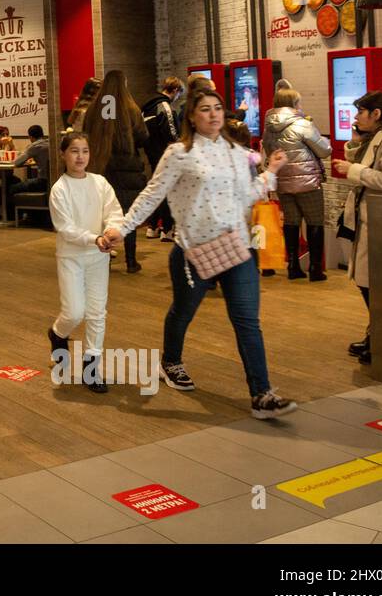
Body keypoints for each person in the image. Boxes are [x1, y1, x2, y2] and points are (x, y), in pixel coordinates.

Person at [103, 88, 298, 419]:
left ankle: (262, 394)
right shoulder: (179, 153)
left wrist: (271, 173)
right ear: (191, 117)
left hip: (236, 248)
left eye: (217, 108)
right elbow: (152, 194)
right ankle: (171, 361)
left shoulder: (236, 152)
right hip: (194, 250)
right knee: (182, 311)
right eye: (205, 109)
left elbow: (247, 195)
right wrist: (121, 229)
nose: (213, 114)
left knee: (247, 321)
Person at [332, 91, 382, 364]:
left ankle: (380, 337)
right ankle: (375, 334)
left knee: (374, 286)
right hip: (370, 221)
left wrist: (351, 170)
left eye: (360, 112)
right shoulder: (379, 139)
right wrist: (355, 147)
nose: (355, 117)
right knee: (367, 283)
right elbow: (367, 164)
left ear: (375, 114)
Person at [48, 133, 124, 393]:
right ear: (64, 154)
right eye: (74, 151)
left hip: (98, 257)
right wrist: (95, 238)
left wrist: (112, 230)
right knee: (74, 313)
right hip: (71, 257)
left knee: (97, 313)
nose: (80, 156)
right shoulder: (60, 189)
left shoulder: (100, 183)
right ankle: (58, 333)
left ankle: (91, 370)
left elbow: (113, 212)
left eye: (85, 151)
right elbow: (65, 228)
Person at [83, 70, 150, 274]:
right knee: (126, 215)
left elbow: (87, 132)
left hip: (100, 166)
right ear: (124, 83)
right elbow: (142, 136)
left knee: (104, 215)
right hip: (127, 168)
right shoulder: (130, 108)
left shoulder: (95, 108)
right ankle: (131, 261)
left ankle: (105, 258)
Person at [262, 86, 332, 282]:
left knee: (291, 223)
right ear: (294, 104)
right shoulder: (302, 124)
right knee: (314, 222)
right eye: (298, 102)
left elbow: (268, 152)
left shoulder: (268, 128)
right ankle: (315, 268)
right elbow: (324, 151)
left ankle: (293, 266)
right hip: (307, 183)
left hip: (283, 183)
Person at [140, 77, 185, 240]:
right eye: (179, 94)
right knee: (167, 190)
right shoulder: (164, 107)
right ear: (175, 90)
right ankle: (166, 229)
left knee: (156, 189)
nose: (178, 98)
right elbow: (172, 133)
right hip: (164, 153)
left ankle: (152, 226)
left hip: (151, 153)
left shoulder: (147, 107)